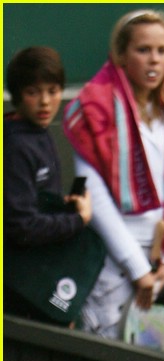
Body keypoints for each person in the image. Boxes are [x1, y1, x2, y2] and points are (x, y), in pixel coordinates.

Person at [63, 8, 164, 339]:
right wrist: (138, 271)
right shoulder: (94, 107)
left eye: (161, 51)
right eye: (143, 50)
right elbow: (96, 199)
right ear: (121, 55)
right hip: (113, 264)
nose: (154, 60)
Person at [4, 46, 96, 322]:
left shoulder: (37, 132)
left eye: (53, 90)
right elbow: (21, 226)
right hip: (15, 293)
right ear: (17, 94)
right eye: (33, 92)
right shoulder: (14, 144)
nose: (45, 102)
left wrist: (64, 209)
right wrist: (78, 220)